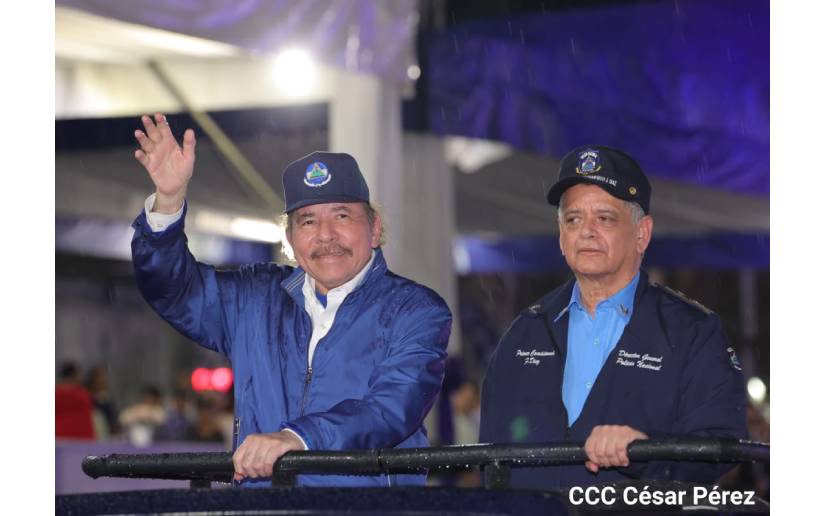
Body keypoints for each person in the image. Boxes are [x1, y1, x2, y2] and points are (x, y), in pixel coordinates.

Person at [130, 113, 451, 487]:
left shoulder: (416, 310)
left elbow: (391, 409)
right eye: (308, 221)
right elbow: (173, 290)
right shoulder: (254, 298)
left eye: (343, 215)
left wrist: (298, 438)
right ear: (290, 238)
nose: (326, 235)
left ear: (375, 227)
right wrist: (168, 201)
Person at [478, 145, 747, 489]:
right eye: (573, 219)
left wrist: (647, 450)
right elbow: (489, 460)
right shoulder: (524, 332)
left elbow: (723, 445)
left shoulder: (693, 331)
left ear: (642, 233)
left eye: (604, 218)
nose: (586, 231)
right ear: (561, 236)